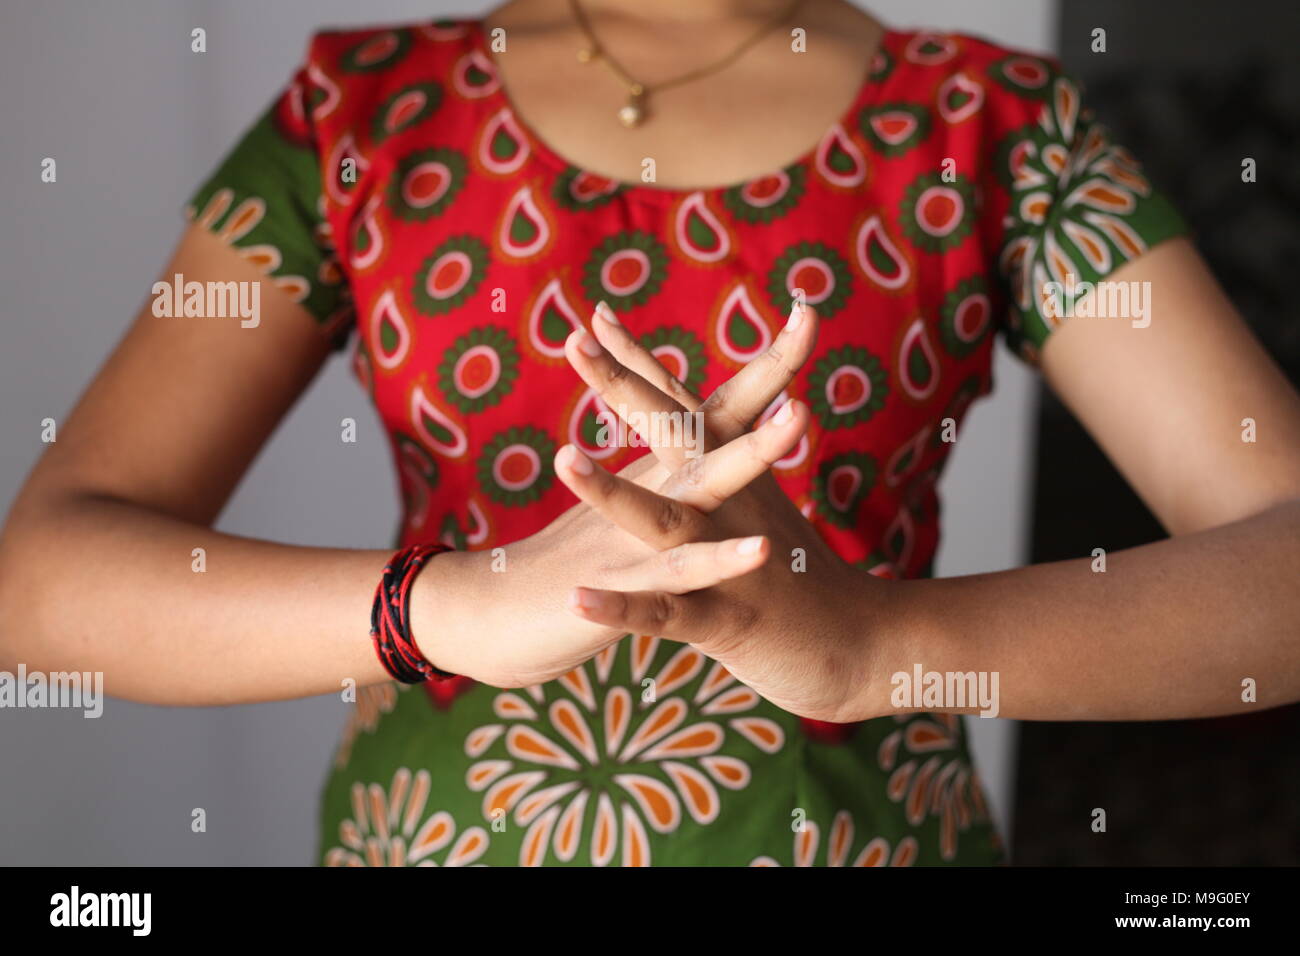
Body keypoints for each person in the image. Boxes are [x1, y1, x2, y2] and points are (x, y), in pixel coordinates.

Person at [2, 0, 1298, 868]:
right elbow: (45, 581)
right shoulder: (366, 115)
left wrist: (880, 646)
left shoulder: (989, 122)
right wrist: (452, 608)